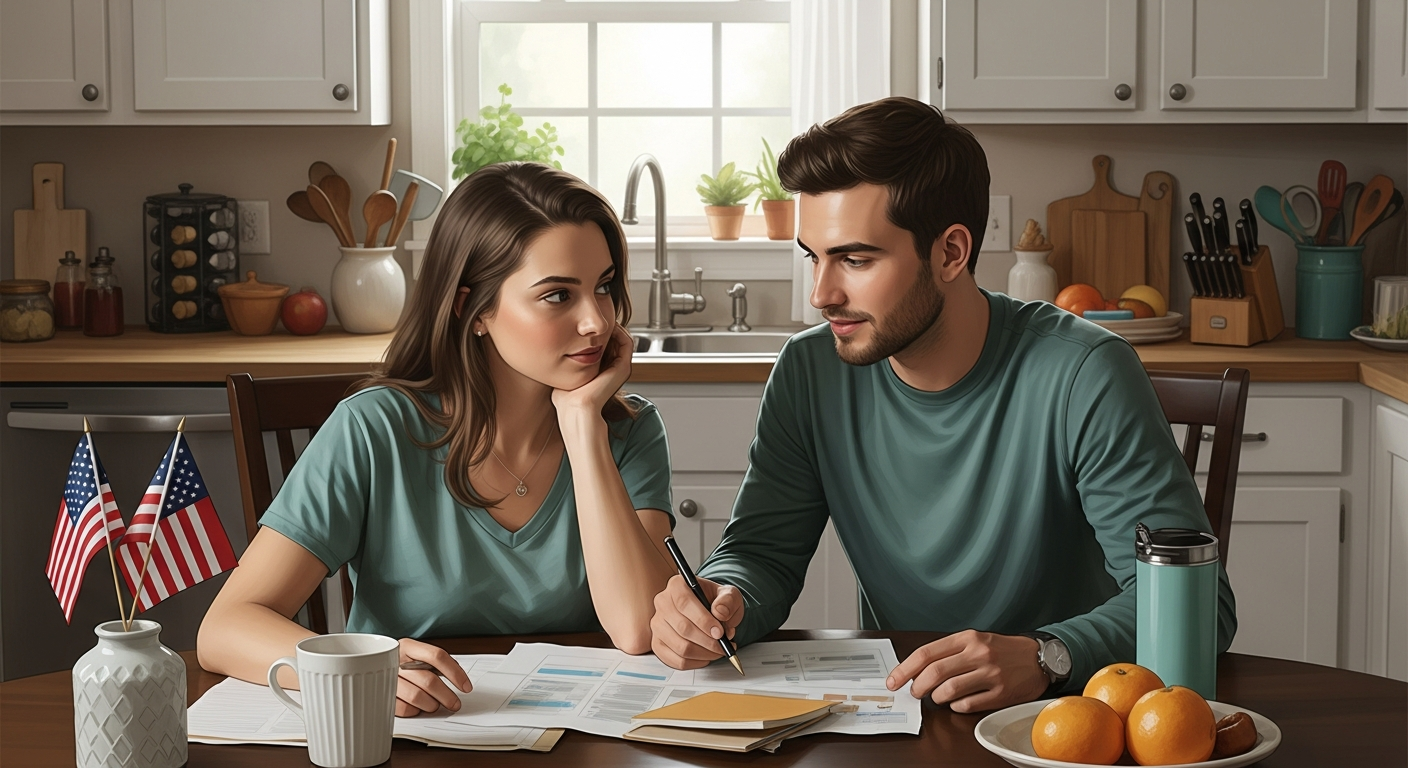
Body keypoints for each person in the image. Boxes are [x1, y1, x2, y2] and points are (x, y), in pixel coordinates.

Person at [649, 97, 1237, 713]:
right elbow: (761, 553)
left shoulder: (1084, 372)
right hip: (907, 713)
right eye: (813, 257)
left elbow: (1199, 607)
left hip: (1065, 722)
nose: (822, 293)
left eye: (855, 259)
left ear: (951, 252)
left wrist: (1047, 654)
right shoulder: (809, 370)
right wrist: (722, 599)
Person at [199, 162, 677, 717]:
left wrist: (583, 427)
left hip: (584, 740)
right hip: (410, 737)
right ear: (472, 309)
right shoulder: (373, 429)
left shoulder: (630, 432)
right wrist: (361, 670)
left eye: (604, 287)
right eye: (557, 296)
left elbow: (640, 627)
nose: (597, 322)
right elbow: (225, 627)